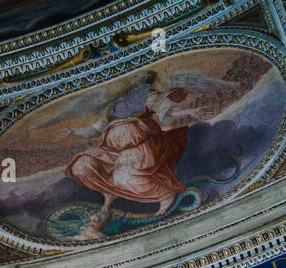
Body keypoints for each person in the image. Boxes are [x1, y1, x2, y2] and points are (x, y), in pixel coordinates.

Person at [65, 73, 193, 239]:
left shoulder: (152, 97)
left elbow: (165, 117)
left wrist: (180, 111)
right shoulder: (116, 105)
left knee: (122, 177)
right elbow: (96, 128)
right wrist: (73, 131)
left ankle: (165, 193)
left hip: (141, 147)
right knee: (81, 166)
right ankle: (109, 193)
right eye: (131, 78)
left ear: (145, 79)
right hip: (111, 151)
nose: (130, 79)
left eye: (135, 78)